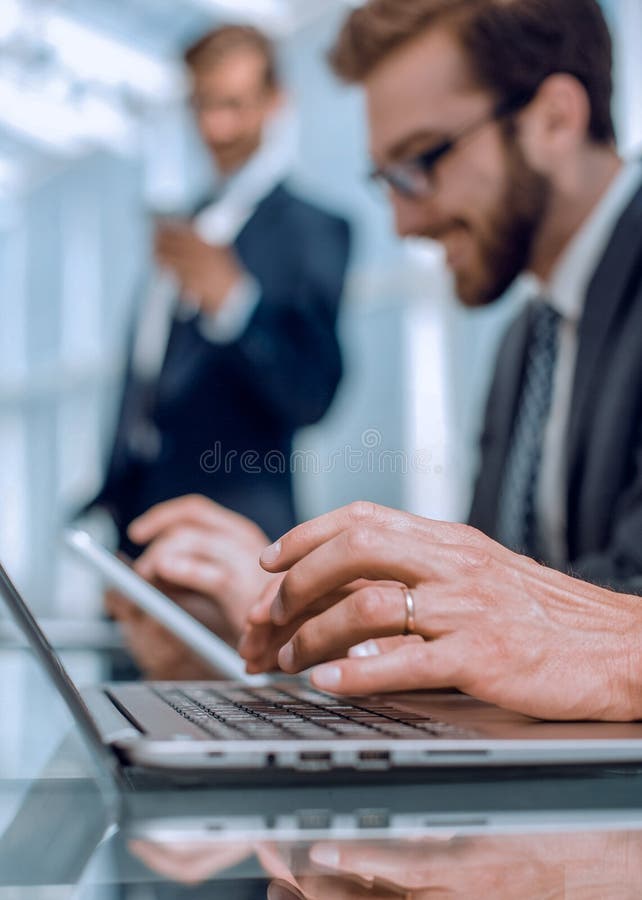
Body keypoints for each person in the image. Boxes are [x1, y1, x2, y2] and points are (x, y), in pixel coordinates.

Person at [109, 0, 642, 719]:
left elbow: (608, 603)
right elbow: (498, 622)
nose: (403, 220)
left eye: (421, 162)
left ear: (553, 118)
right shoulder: (530, 338)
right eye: (387, 178)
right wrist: (297, 613)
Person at [83, 25, 351, 554]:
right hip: (140, 527)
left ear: (277, 102)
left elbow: (312, 393)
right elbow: (146, 375)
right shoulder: (185, 226)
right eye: (203, 105)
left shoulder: (310, 230)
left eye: (234, 104)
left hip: (237, 537)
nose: (216, 126)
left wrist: (234, 301)